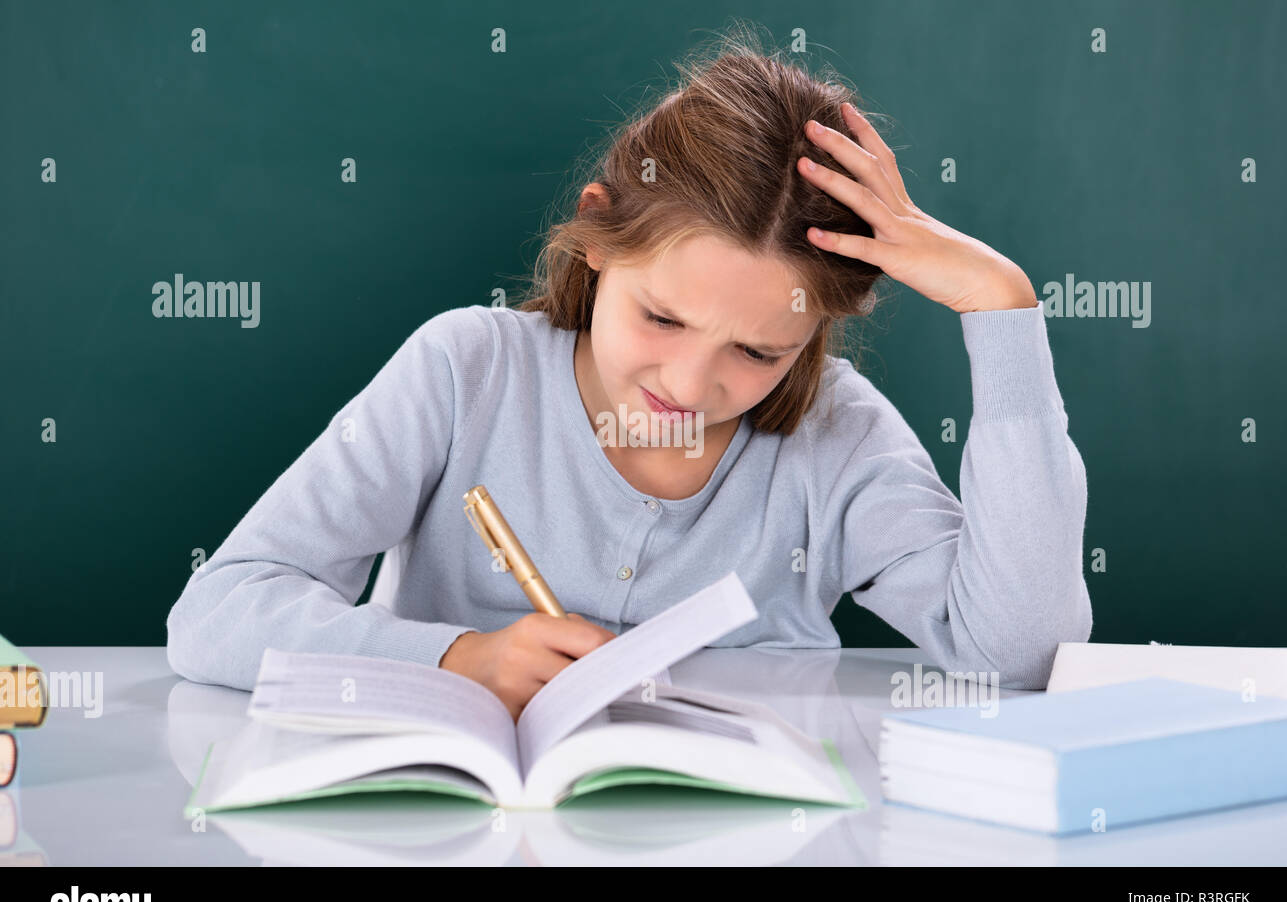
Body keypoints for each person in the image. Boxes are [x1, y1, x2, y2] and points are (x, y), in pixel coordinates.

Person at [166, 29, 1091, 722]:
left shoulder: (838, 439)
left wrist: (1002, 310)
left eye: (759, 353)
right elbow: (217, 613)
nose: (689, 387)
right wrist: (456, 659)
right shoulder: (466, 371)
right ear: (599, 236)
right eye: (662, 317)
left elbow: (1020, 654)